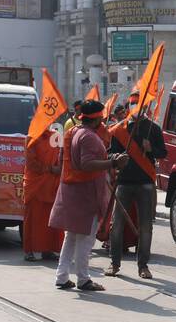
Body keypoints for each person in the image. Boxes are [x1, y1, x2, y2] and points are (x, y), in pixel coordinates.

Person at [49, 99, 127, 291]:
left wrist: (110, 159)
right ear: (97, 119)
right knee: (86, 237)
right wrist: (113, 163)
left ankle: (61, 276)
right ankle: (83, 279)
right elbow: (86, 164)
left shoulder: (73, 132)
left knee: (72, 237)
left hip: (73, 191)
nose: (103, 121)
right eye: (101, 118)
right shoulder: (89, 137)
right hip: (85, 193)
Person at [104, 97, 167, 280]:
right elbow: (109, 153)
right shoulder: (119, 129)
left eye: (140, 104)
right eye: (133, 104)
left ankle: (143, 266)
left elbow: (163, 152)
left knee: (146, 226)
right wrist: (117, 157)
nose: (137, 107)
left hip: (145, 182)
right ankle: (114, 263)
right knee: (116, 225)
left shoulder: (153, 128)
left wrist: (151, 149)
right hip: (123, 182)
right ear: (128, 107)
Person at [22, 124, 64, 262]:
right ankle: (29, 250)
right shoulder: (31, 138)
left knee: (50, 219)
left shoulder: (56, 136)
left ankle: (49, 250)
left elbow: (62, 156)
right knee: (32, 219)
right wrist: (50, 168)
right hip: (36, 184)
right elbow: (31, 163)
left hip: (51, 184)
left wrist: (59, 167)